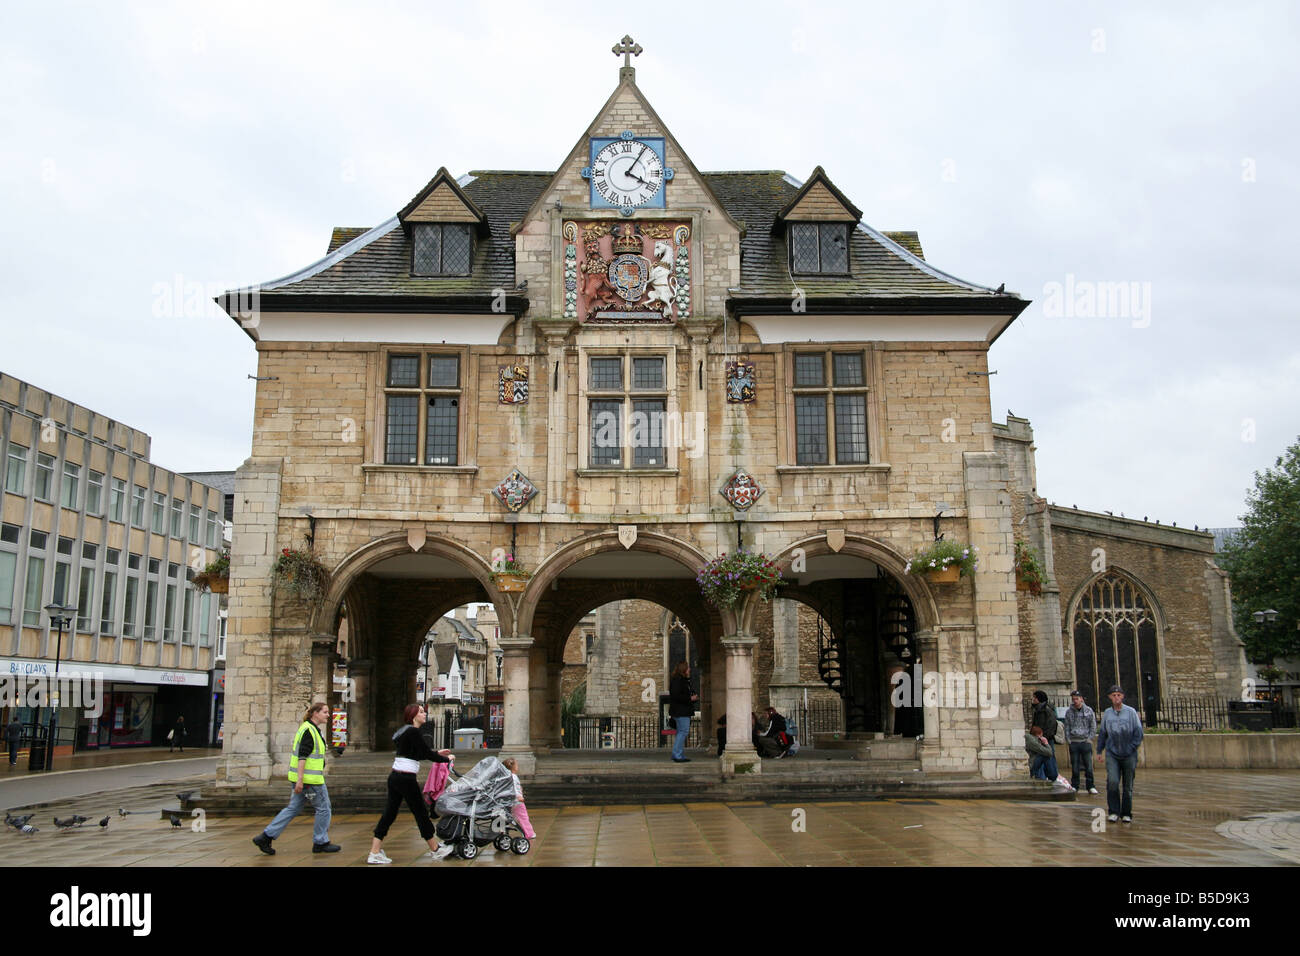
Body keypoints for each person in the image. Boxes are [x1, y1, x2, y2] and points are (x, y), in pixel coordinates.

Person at [368, 704, 455, 864]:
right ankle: (435, 849)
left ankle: (374, 851)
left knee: (389, 814)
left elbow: (414, 753)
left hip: (396, 776)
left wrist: (436, 753)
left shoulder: (405, 731)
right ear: (414, 715)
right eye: (421, 712)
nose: (425, 714)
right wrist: (445, 759)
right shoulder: (413, 731)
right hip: (406, 779)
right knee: (421, 812)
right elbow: (425, 753)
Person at [253, 702, 339, 855]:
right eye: (325, 712)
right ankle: (321, 841)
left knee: (293, 808)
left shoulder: (309, 728)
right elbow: (302, 757)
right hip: (310, 781)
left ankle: (265, 837)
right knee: (324, 809)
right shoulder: (309, 731)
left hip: (303, 779)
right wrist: (300, 780)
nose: (328, 715)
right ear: (315, 713)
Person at [1097, 685, 1144, 823]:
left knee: (1128, 785)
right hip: (1113, 753)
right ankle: (1113, 811)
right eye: (1113, 695)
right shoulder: (1107, 713)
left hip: (1129, 753)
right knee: (1112, 781)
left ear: (1122, 696)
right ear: (1110, 697)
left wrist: (1131, 747)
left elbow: (1138, 733)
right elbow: (1103, 733)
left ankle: (1126, 812)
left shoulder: (1130, 712)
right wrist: (1100, 750)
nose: (1116, 697)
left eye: (1118, 695)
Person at [1063, 690, 1098, 793]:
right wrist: (1069, 739)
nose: (1075, 701)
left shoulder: (1088, 711)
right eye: (1073, 699)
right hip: (1074, 741)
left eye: (1077, 699)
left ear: (1081, 699)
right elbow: (1067, 726)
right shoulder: (1069, 712)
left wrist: (1089, 739)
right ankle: (1075, 785)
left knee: (1088, 765)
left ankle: (1090, 785)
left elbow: (1093, 725)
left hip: (1085, 741)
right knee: (1075, 765)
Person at [668, 662, 698, 763]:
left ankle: (678, 754)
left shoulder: (682, 680)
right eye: (688, 668)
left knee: (681, 732)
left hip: (682, 710)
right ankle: (677, 754)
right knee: (683, 732)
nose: (690, 669)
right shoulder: (678, 681)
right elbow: (676, 696)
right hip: (681, 711)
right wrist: (690, 698)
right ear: (684, 669)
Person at [501, 756, 535, 840]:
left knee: (504, 818)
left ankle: (502, 833)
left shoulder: (506, 776)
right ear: (513, 767)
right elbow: (514, 788)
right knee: (523, 817)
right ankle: (529, 833)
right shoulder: (513, 777)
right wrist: (519, 796)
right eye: (516, 764)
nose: (517, 766)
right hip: (516, 801)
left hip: (508, 802)